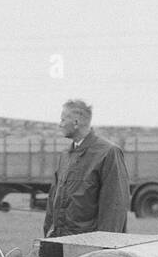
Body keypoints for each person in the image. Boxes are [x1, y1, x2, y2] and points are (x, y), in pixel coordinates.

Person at [43, 99, 131, 236]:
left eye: (63, 120)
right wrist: (48, 237)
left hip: (87, 246)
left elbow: (114, 207)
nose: (60, 125)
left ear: (76, 123)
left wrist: (104, 248)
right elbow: (52, 201)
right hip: (60, 243)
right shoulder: (65, 155)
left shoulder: (108, 153)